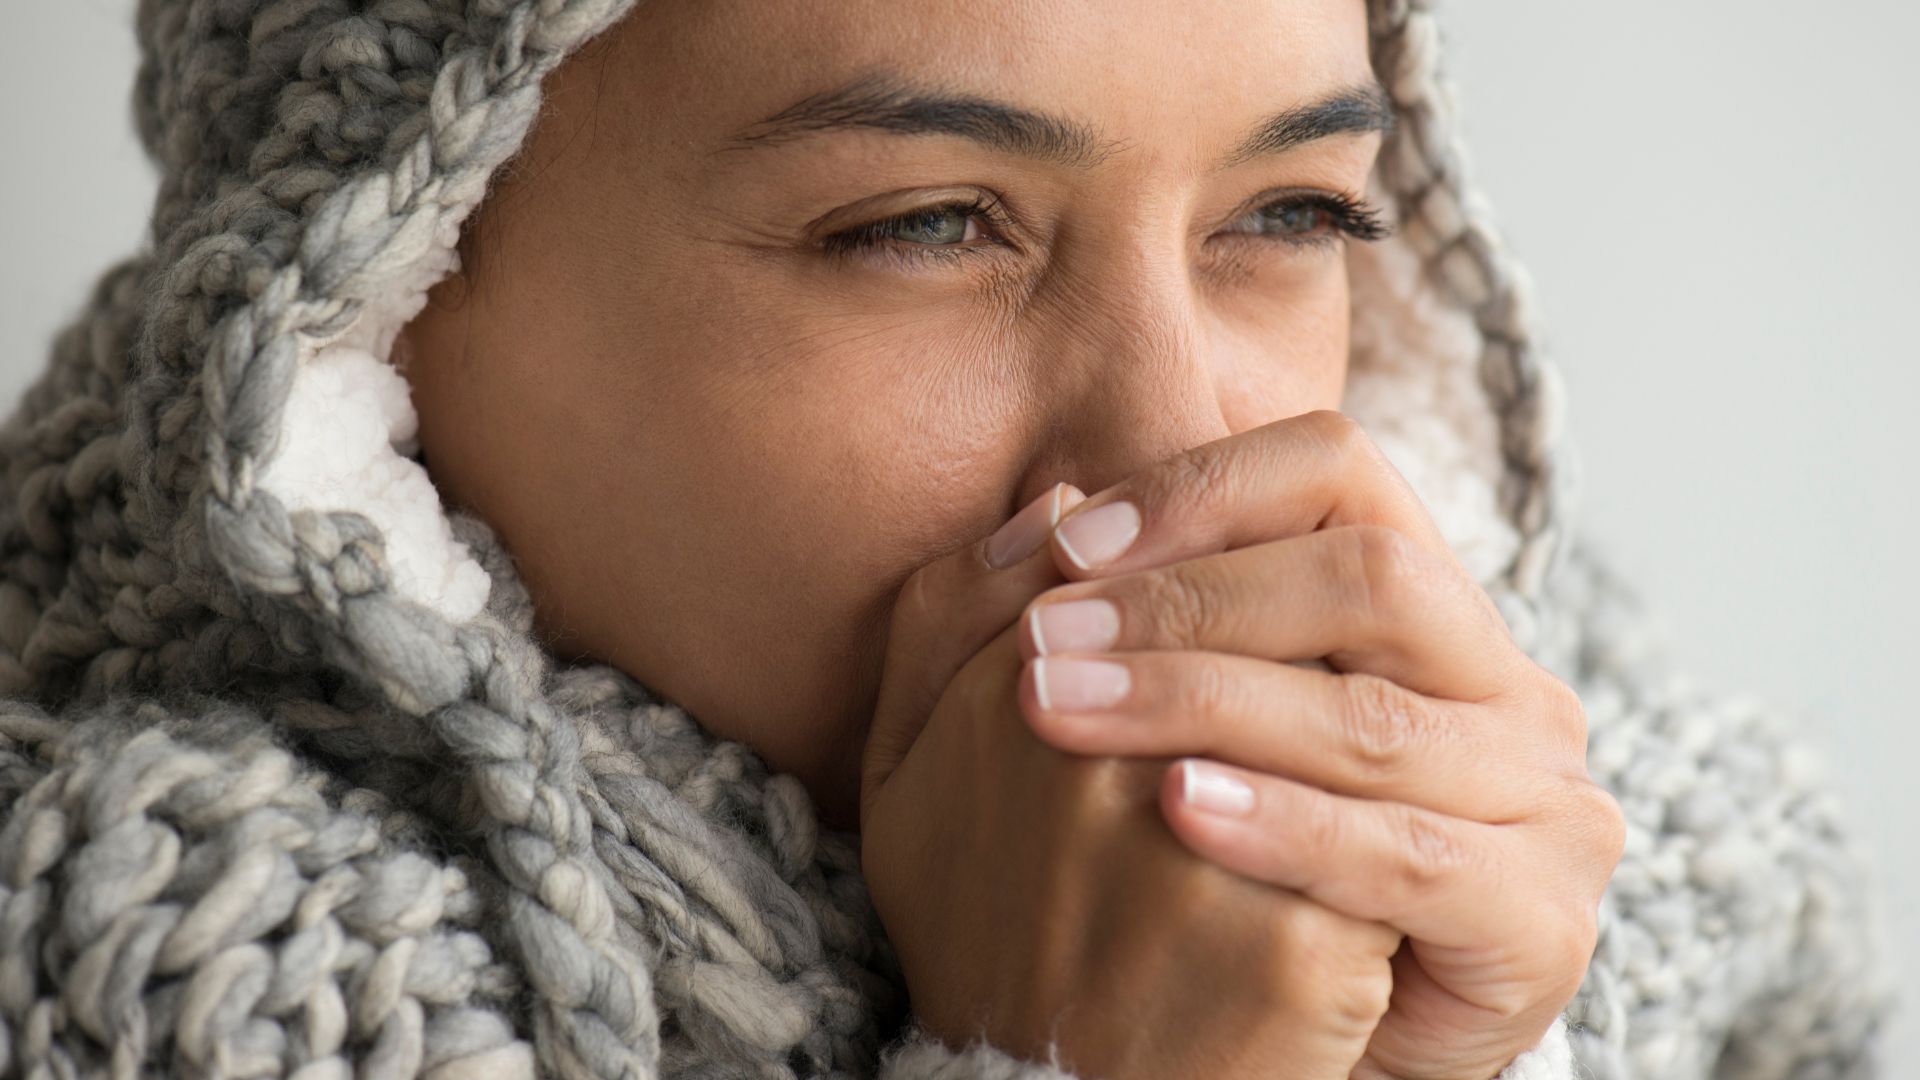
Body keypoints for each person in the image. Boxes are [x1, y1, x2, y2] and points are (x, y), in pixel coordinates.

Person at [0, 0, 1894, 1077]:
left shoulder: (1652, 890)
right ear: (374, 318)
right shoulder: (140, 973)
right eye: (926, 224)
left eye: (1295, 217)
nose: (1175, 440)